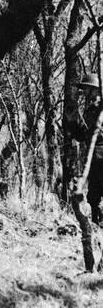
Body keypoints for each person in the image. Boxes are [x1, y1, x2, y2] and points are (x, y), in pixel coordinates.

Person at [65, 72, 103, 222]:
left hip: (101, 156)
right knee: (94, 196)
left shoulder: (100, 108)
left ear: (96, 89)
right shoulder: (89, 110)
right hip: (92, 158)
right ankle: (96, 229)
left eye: (88, 88)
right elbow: (83, 136)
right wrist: (72, 121)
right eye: (85, 89)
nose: (85, 92)